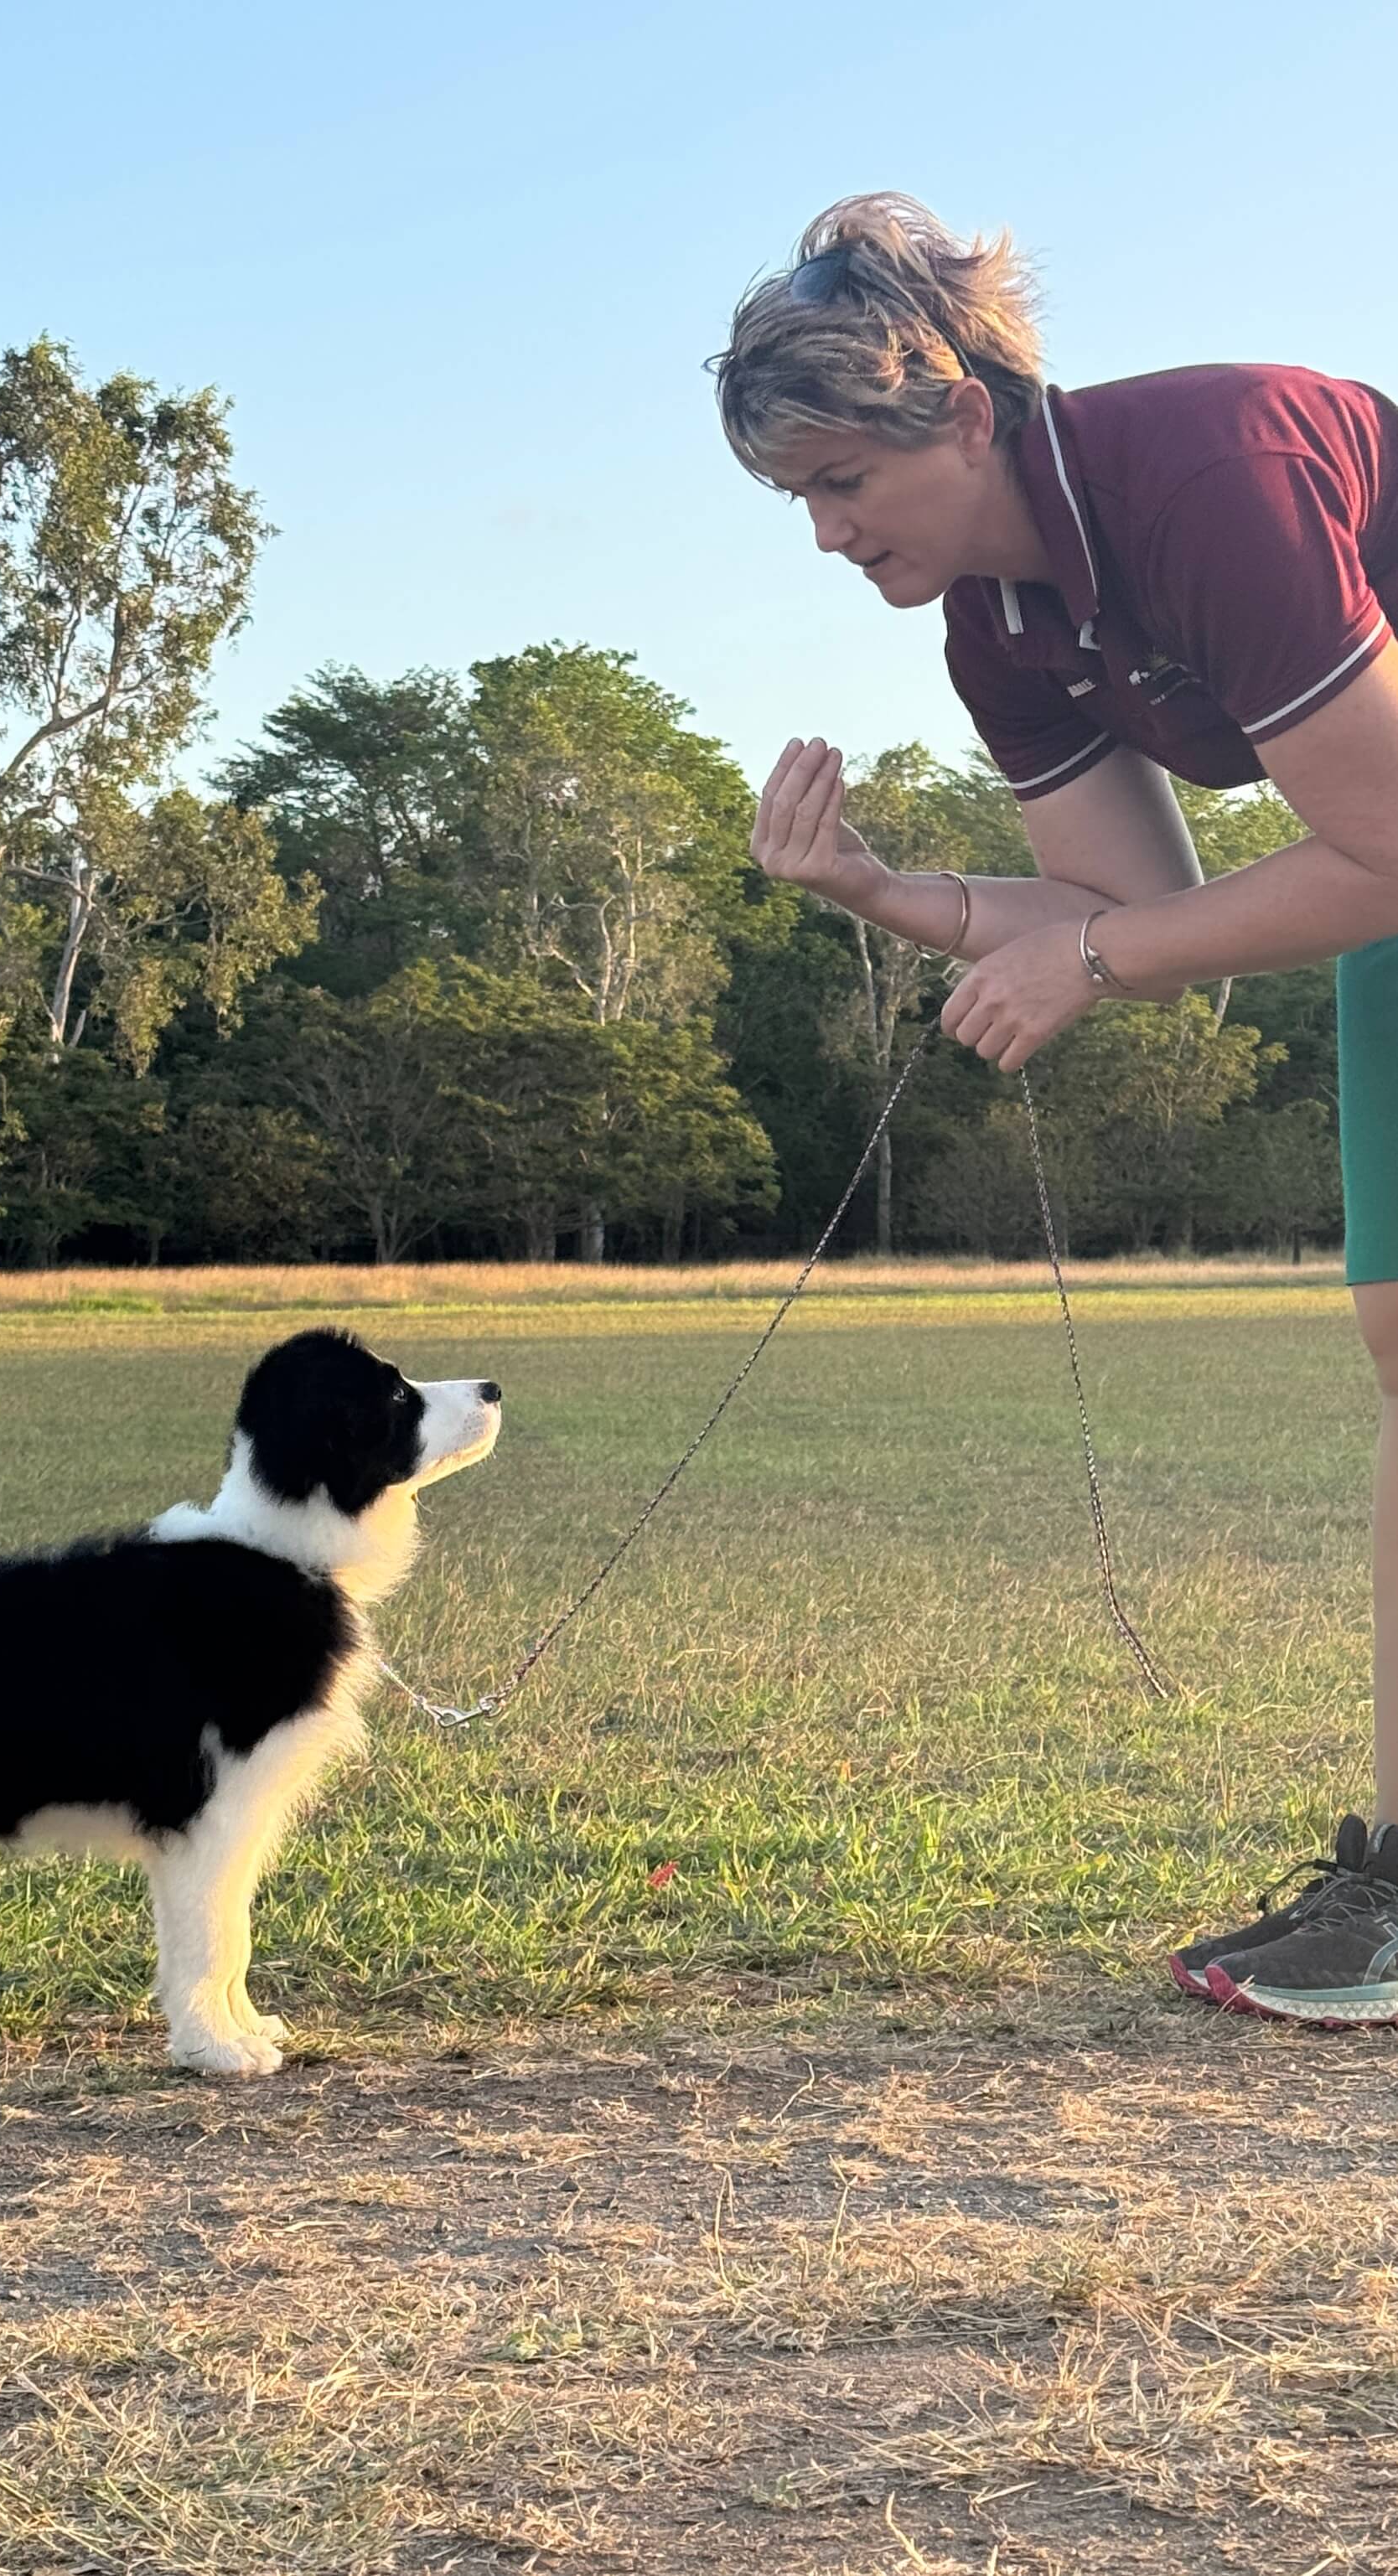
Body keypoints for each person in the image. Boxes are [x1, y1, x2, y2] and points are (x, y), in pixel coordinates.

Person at [711, 192, 1398, 2023]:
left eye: (844, 478)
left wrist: (1095, 970)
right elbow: (1132, 919)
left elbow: (1382, 845)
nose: (829, 532)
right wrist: (881, 894)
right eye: (798, 501)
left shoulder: (1208, 470)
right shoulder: (998, 633)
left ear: (961, 410)